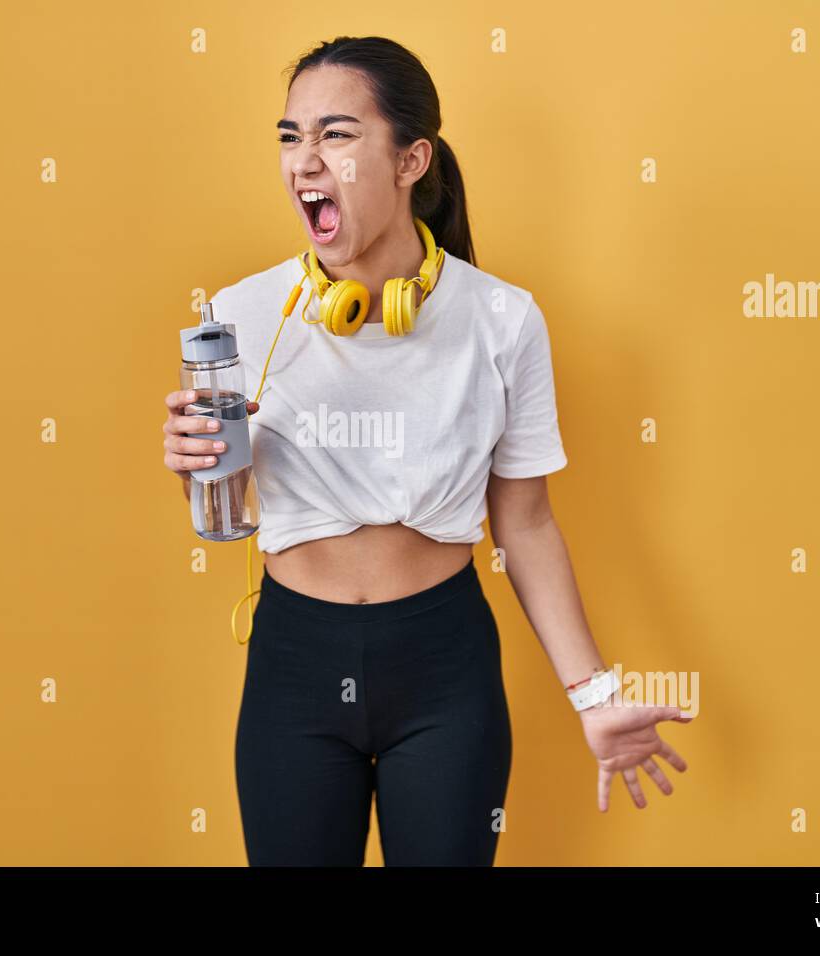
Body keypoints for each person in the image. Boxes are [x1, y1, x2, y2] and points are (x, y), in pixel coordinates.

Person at [162, 36, 693, 866]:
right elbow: (220, 492)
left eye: (336, 134)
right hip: (294, 662)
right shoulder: (242, 315)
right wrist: (193, 461)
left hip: (445, 668)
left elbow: (526, 526)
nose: (306, 160)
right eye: (290, 136)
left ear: (411, 158)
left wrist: (596, 697)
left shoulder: (503, 320)